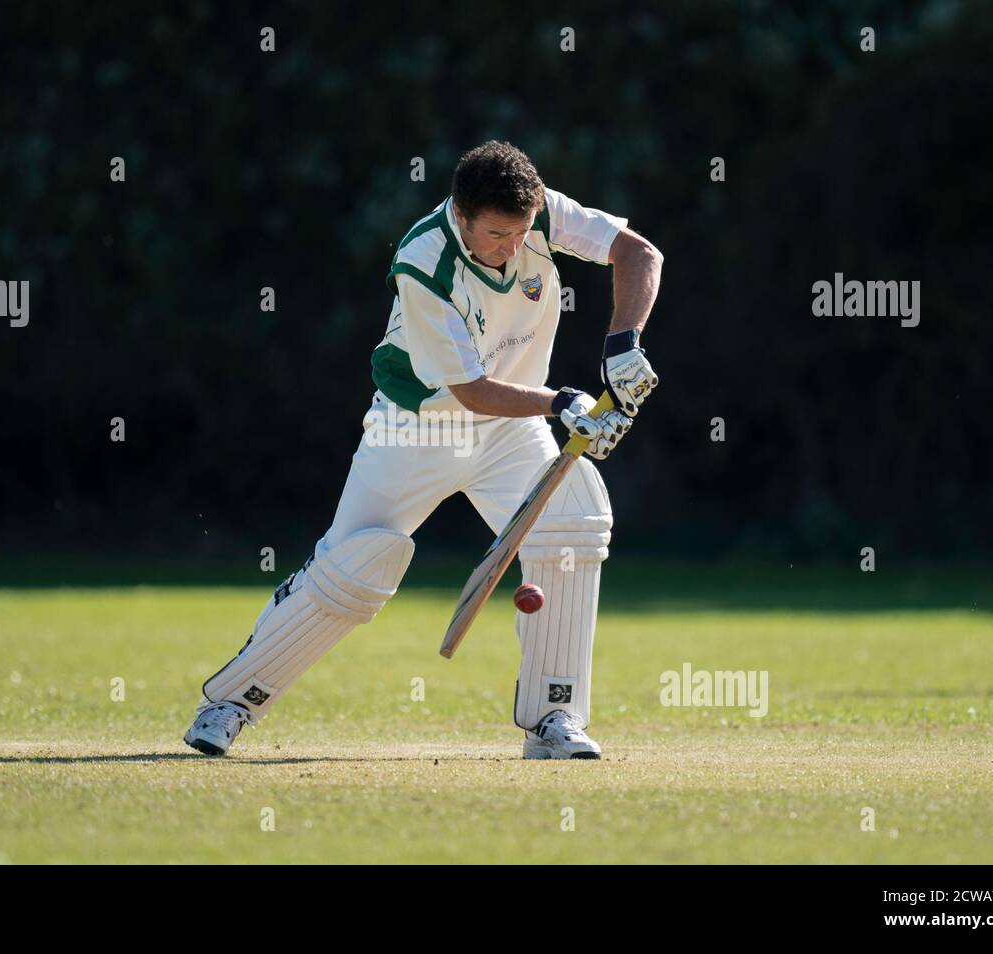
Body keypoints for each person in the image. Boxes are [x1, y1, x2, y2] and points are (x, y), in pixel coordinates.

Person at [186, 140, 662, 759]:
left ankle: (555, 719)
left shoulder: (540, 212)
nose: (513, 249)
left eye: (521, 233)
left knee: (571, 529)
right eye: (496, 235)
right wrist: (561, 403)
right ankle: (230, 702)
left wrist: (624, 342)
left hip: (510, 429)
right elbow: (468, 390)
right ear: (462, 216)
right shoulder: (424, 259)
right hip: (417, 425)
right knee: (351, 570)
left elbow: (636, 251)